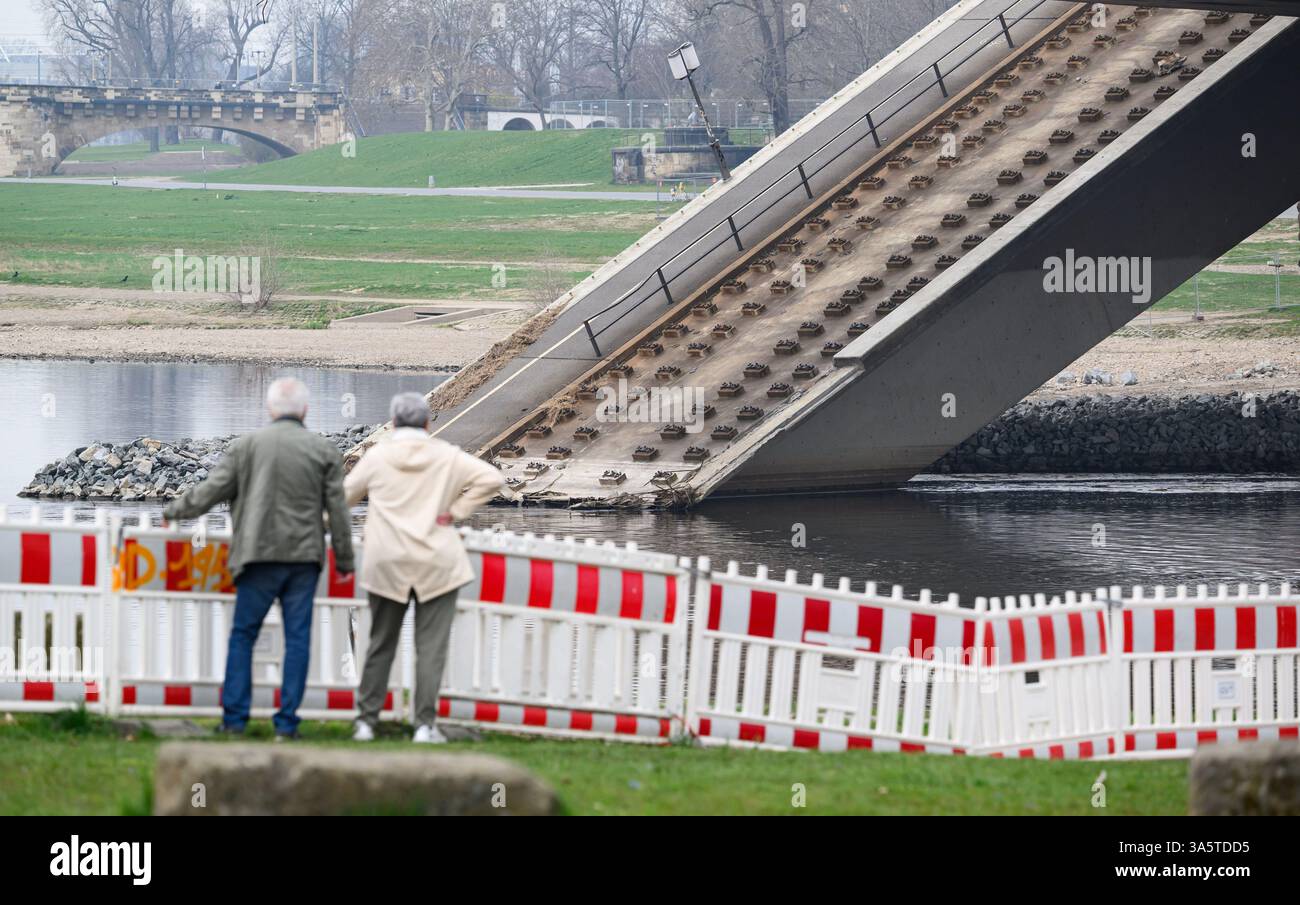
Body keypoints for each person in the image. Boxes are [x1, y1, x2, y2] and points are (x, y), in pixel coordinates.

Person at [162, 377, 354, 739]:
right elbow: (338, 512)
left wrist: (174, 511)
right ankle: (287, 724)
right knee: (298, 640)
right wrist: (344, 561)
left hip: (256, 555)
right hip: (303, 558)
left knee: (243, 635)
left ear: (269, 409)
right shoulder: (323, 451)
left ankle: (235, 719)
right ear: (305, 410)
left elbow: (210, 492)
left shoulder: (245, 446)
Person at [344, 392, 503, 743]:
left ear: (394, 422)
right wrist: (457, 511)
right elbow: (491, 479)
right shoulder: (447, 456)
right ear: (428, 423)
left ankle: (367, 722)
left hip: (387, 561)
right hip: (436, 561)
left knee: (379, 644)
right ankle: (424, 725)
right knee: (430, 648)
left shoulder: (378, 457)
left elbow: (343, 497)